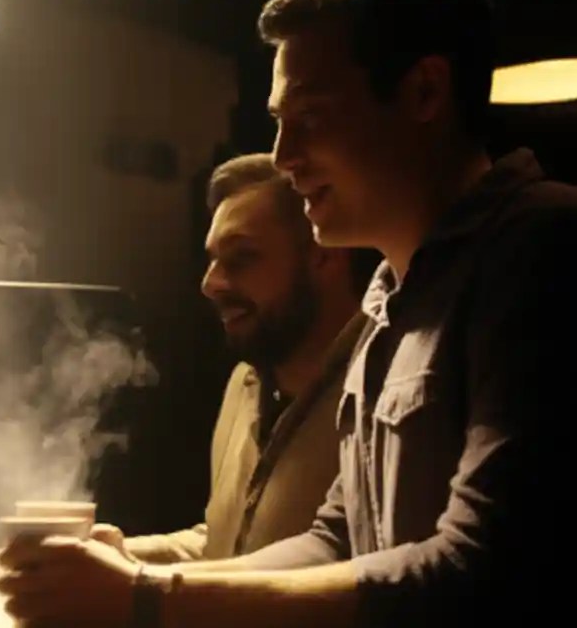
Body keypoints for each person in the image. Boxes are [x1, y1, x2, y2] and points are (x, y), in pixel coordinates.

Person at [0, 0, 577, 628]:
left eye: (309, 118)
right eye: (279, 123)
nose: (284, 156)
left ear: (424, 91)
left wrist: (147, 600)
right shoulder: (391, 299)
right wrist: (124, 578)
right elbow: (337, 541)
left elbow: (479, 578)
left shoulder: (543, 246)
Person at [97, 153, 377, 565]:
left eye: (241, 257)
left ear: (325, 254)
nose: (211, 284)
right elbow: (230, 545)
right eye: (212, 259)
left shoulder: (381, 387)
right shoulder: (246, 382)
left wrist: (137, 590)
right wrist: (118, 555)